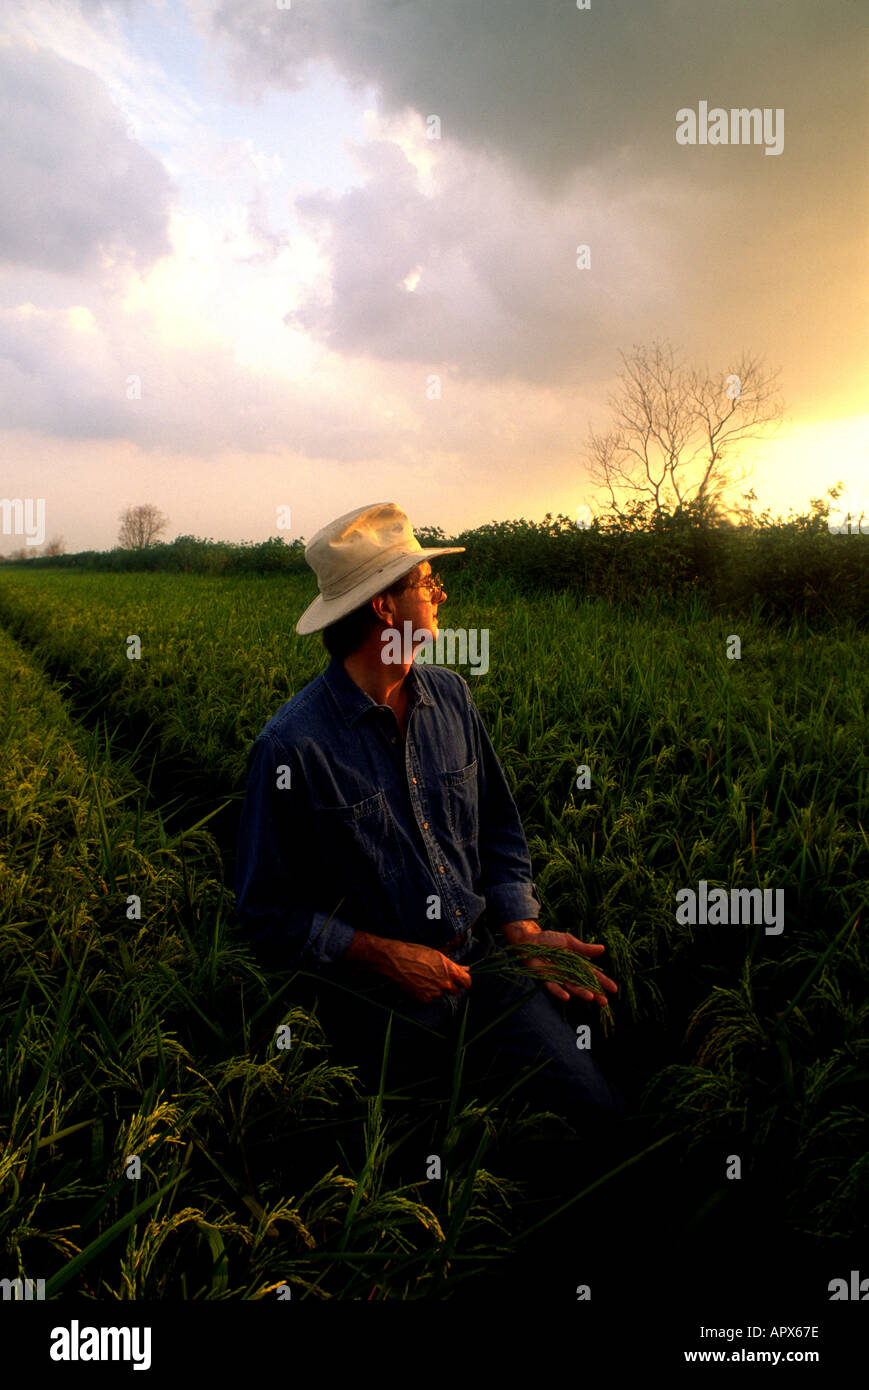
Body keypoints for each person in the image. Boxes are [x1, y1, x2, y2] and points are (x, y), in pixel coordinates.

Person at [235, 501, 624, 1118]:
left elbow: (498, 826)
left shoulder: (451, 696)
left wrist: (520, 926)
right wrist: (379, 952)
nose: (440, 593)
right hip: (382, 998)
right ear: (383, 607)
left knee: (593, 1110)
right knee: (426, 1161)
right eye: (425, 581)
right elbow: (263, 912)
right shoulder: (292, 747)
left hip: (484, 963)